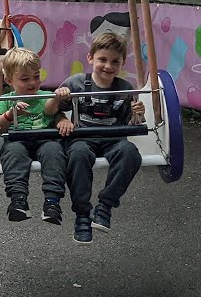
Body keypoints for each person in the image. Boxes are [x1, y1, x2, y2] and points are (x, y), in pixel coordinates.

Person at [45, 32, 144, 244]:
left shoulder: (126, 89)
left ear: (122, 63)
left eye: (115, 62)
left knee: (130, 153)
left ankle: (105, 205)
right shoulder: (76, 83)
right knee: (77, 154)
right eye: (103, 59)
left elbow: (133, 121)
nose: (108, 66)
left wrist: (138, 113)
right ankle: (82, 214)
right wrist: (58, 105)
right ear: (90, 58)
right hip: (83, 138)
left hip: (113, 139)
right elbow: (50, 111)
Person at [0, 47, 72, 225]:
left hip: (45, 139)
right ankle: (18, 200)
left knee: (54, 151)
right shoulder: (5, 100)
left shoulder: (46, 96)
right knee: (13, 152)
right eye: (24, 79)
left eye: (36, 76)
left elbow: (54, 112)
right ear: (9, 80)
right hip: (17, 140)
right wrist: (11, 114)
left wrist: (62, 120)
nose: (32, 82)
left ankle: (52, 201)